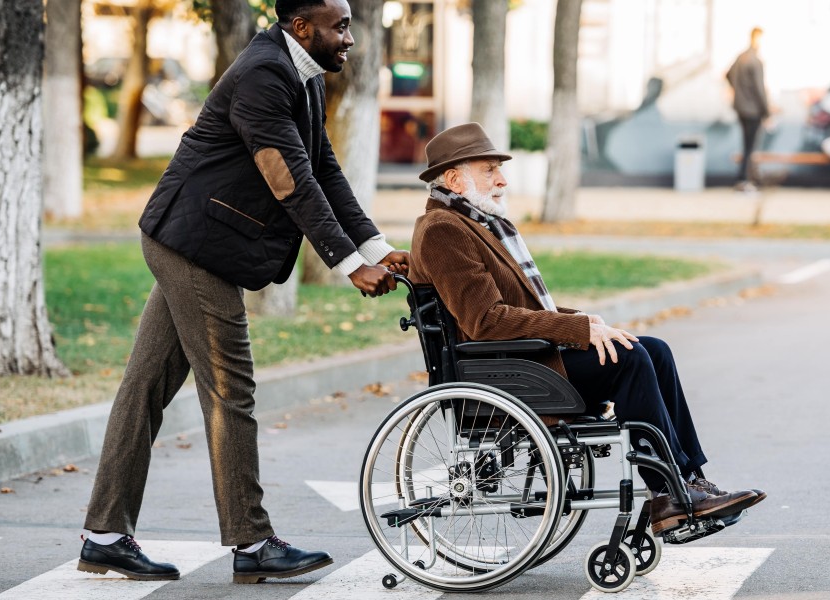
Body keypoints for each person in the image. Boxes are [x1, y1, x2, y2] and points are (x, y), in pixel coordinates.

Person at [78, 0, 409, 584]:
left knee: (144, 388)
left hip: (197, 240)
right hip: (193, 245)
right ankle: (252, 543)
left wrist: (375, 247)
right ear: (301, 26)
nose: (350, 38)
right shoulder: (263, 75)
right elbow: (289, 178)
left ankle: (104, 535)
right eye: (340, 26)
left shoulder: (302, 73)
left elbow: (323, 168)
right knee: (231, 389)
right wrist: (348, 265)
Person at [408, 123, 765, 536]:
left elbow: (518, 306)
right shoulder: (444, 230)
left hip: (526, 358)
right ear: (455, 180)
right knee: (629, 358)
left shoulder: (474, 223)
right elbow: (485, 320)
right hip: (507, 370)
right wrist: (574, 328)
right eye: (490, 170)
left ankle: (691, 480)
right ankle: (668, 494)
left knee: (654, 349)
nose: (502, 179)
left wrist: (584, 320)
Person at [726, 27, 770, 193]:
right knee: (750, 147)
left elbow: (728, 75)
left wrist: (739, 92)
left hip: (740, 107)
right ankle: (744, 180)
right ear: (757, 39)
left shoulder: (741, 57)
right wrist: (766, 111)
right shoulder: (755, 61)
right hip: (753, 110)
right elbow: (760, 89)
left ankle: (744, 178)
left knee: (746, 145)